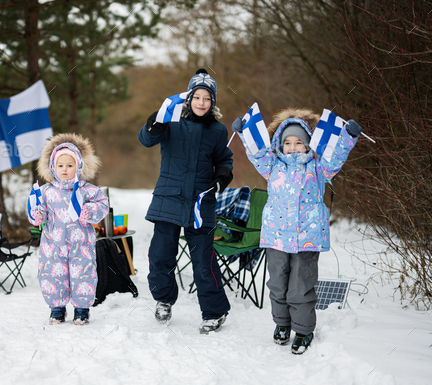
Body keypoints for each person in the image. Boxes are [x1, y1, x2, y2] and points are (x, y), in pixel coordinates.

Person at [233, 108, 362, 354]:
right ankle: (282, 325)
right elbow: (257, 152)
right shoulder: (272, 166)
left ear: (308, 145)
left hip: (307, 239)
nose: (293, 147)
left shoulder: (318, 167)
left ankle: (303, 329)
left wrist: (348, 136)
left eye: (299, 143)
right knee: (278, 284)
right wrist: (244, 133)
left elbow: (336, 156)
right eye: (288, 143)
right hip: (276, 237)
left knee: (300, 286)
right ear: (280, 145)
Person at [138, 69, 234, 334]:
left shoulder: (217, 130)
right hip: (168, 199)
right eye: (197, 97)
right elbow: (146, 139)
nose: (202, 102)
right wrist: (155, 121)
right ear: (189, 98)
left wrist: (221, 178)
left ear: (213, 102)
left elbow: (224, 160)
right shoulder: (170, 120)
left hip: (201, 204)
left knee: (204, 262)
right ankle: (164, 299)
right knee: (160, 256)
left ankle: (214, 312)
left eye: (207, 98)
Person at [27, 133, 109, 325]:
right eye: (60, 165)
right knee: (54, 275)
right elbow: (40, 210)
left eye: (69, 165)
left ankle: (82, 309)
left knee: (83, 274)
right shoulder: (47, 191)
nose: (65, 169)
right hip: (53, 244)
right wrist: (37, 215)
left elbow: (103, 204)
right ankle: (57, 309)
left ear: (78, 166)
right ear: (53, 167)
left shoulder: (87, 190)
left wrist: (90, 210)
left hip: (81, 244)